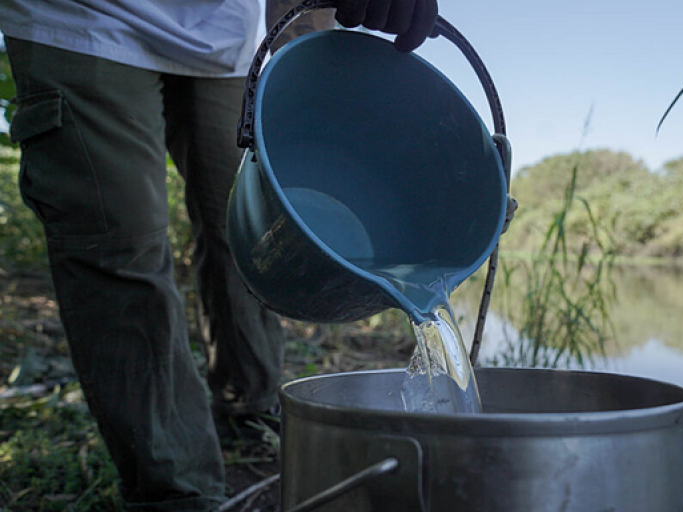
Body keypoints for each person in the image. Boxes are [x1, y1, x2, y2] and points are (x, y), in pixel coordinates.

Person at [0, 0, 438, 510]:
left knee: (255, 229)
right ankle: (176, 489)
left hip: (223, 43)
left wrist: (315, 55)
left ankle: (248, 407)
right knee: (121, 247)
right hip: (81, 21)